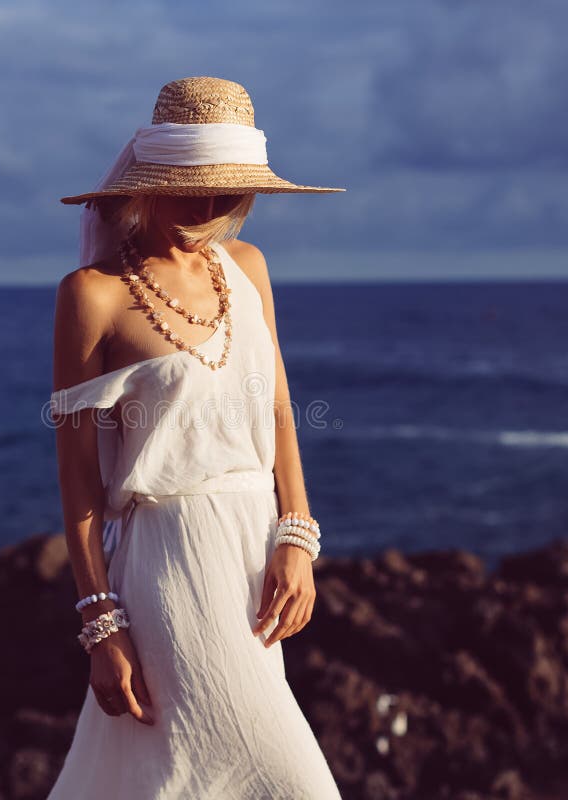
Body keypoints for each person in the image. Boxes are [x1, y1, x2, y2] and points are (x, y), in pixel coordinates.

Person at [45, 76, 345, 799]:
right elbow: (79, 479)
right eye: (189, 188)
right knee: (295, 784)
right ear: (150, 181)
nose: (208, 210)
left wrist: (296, 535)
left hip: (252, 558)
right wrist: (101, 625)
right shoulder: (92, 296)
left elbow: (277, 406)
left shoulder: (247, 267)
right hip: (169, 566)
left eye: (226, 193)